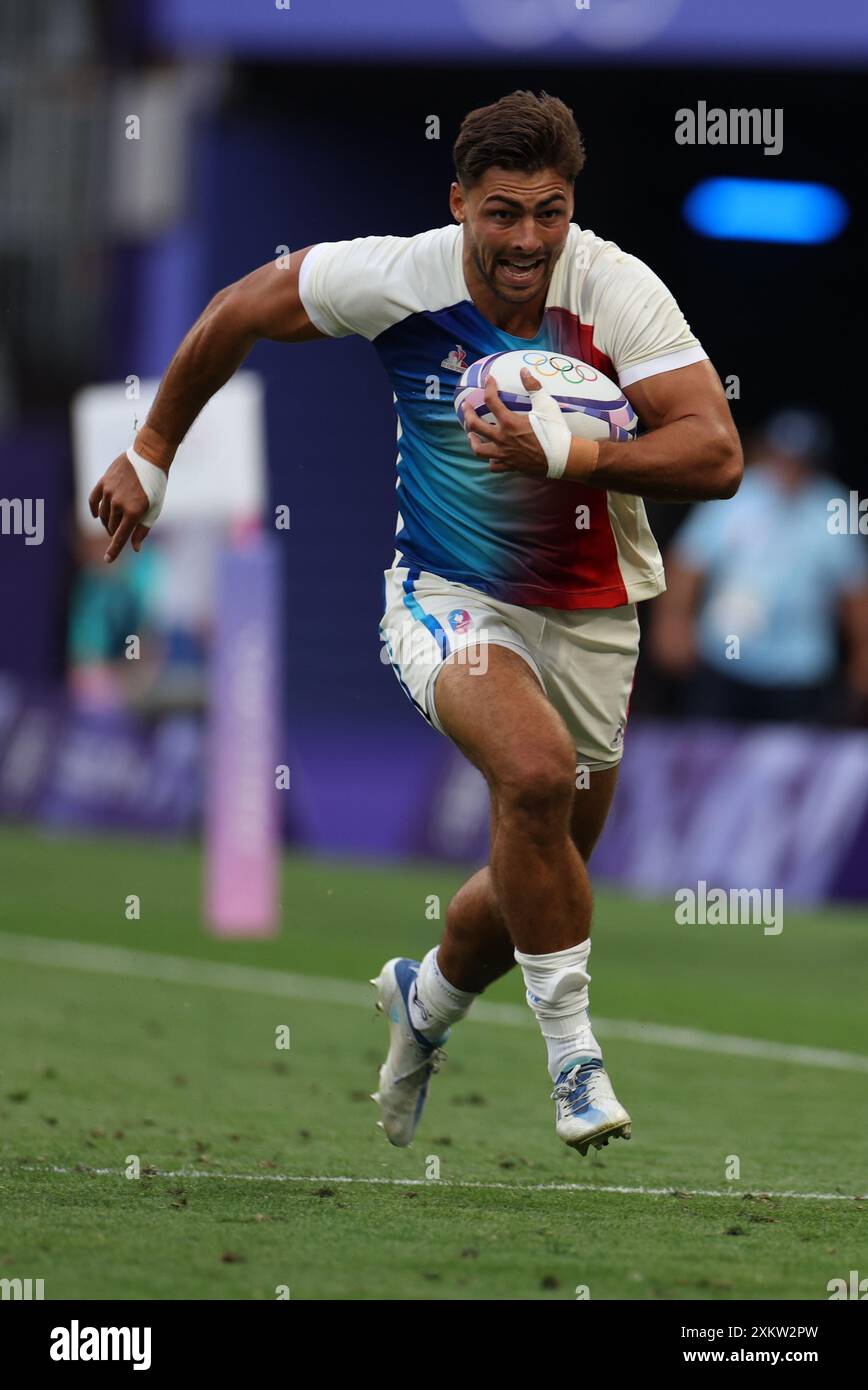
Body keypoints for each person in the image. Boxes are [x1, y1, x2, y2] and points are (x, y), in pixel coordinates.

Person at [88, 91, 741, 1157]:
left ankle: (423, 1000)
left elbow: (715, 454)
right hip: (449, 598)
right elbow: (243, 306)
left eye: (548, 210)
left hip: (593, 613)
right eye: (501, 213)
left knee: (544, 861)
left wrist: (571, 453)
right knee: (529, 780)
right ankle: (574, 1059)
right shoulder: (398, 276)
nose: (527, 238)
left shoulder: (617, 289)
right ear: (458, 205)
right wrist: (150, 452)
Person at [651, 409, 868, 724]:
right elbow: (689, 562)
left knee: (792, 762)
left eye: (801, 462)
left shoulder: (832, 506)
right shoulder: (736, 495)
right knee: (712, 752)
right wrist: (672, 621)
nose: (790, 469)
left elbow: (855, 589)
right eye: (785, 457)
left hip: (801, 667)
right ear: (769, 452)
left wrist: (862, 655)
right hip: (725, 660)